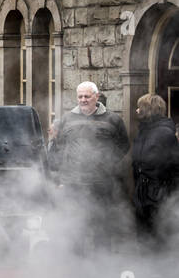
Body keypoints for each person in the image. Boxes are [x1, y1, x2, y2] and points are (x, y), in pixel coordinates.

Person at [47, 81, 130, 247]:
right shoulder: (67, 119)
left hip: (101, 182)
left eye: (87, 96)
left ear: (96, 96)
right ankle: (77, 259)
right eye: (80, 96)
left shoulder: (113, 119)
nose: (83, 100)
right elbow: (60, 147)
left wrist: (108, 163)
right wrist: (60, 176)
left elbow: (124, 145)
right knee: (76, 222)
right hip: (73, 182)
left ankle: (101, 256)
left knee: (101, 222)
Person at [131, 93, 179, 236]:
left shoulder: (164, 133)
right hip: (143, 191)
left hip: (157, 194)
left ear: (148, 109)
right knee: (143, 233)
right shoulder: (144, 130)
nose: (137, 110)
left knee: (156, 233)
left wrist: (160, 193)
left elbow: (173, 166)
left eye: (140, 107)